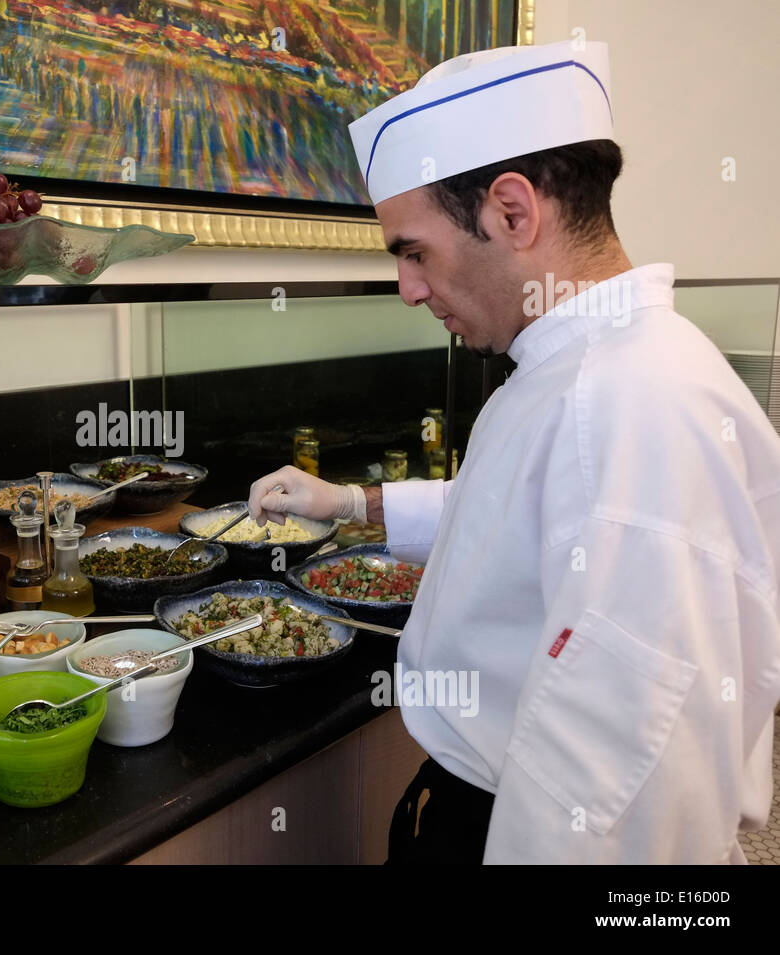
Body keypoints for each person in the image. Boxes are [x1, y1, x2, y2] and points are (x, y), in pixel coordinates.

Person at [249, 39, 780, 864]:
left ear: (513, 211)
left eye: (413, 251)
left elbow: (625, 793)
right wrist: (353, 504)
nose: (410, 290)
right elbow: (509, 516)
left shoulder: (631, 404)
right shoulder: (571, 366)